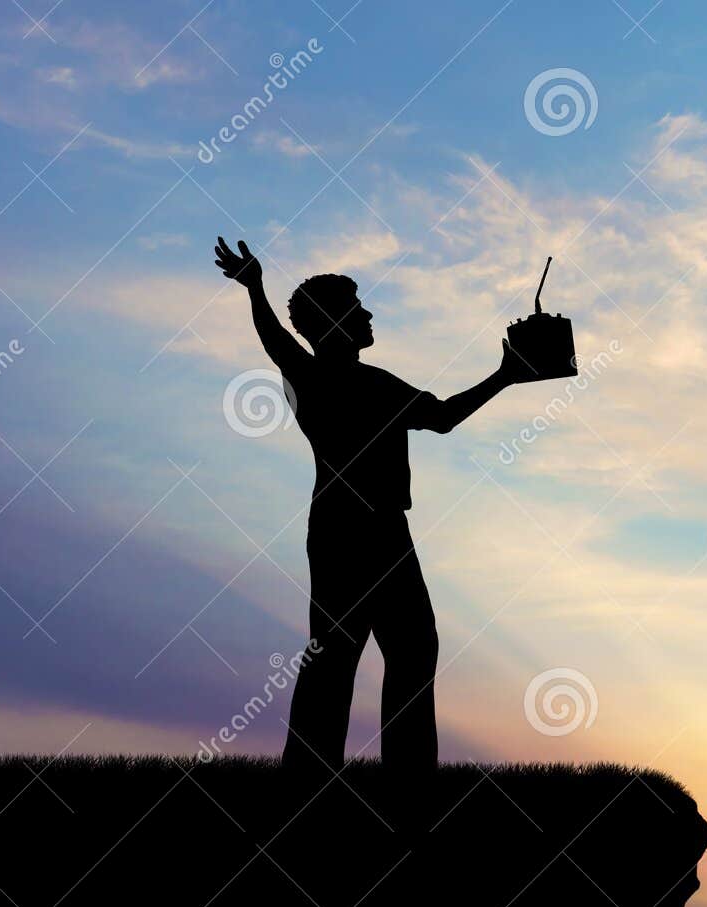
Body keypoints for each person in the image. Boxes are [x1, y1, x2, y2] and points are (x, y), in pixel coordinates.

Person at [214, 237, 531, 768]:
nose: (367, 314)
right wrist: (256, 289)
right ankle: (325, 775)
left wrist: (506, 375)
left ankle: (394, 775)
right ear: (331, 323)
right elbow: (277, 342)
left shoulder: (369, 381)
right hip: (349, 530)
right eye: (356, 308)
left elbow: (443, 416)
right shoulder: (316, 377)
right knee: (342, 654)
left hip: (383, 530)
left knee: (402, 648)